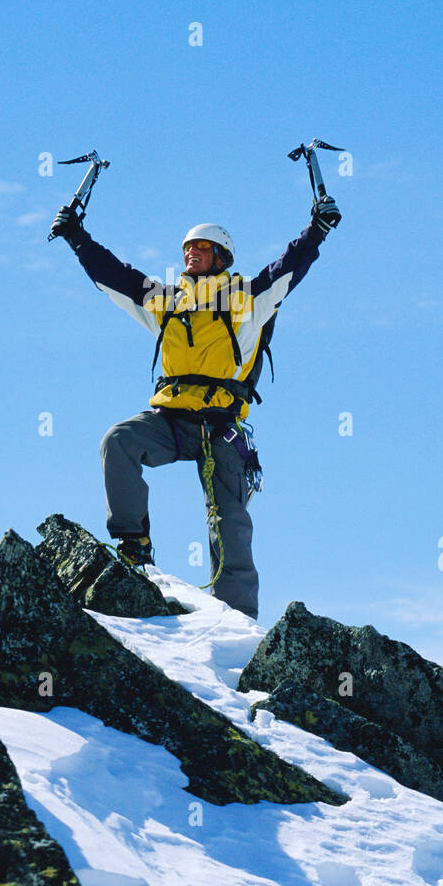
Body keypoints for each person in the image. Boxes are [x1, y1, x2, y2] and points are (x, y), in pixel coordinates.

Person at [50, 198, 339, 619]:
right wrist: (77, 238)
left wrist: (317, 230)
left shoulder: (246, 300)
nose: (191, 252)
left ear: (221, 256)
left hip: (221, 428)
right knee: (119, 441)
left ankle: (235, 617)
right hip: (171, 422)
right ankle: (134, 546)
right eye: (188, 247)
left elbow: (287, 271)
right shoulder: (165, 302)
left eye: (202, 247)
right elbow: (116, 277)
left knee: (230, 522)